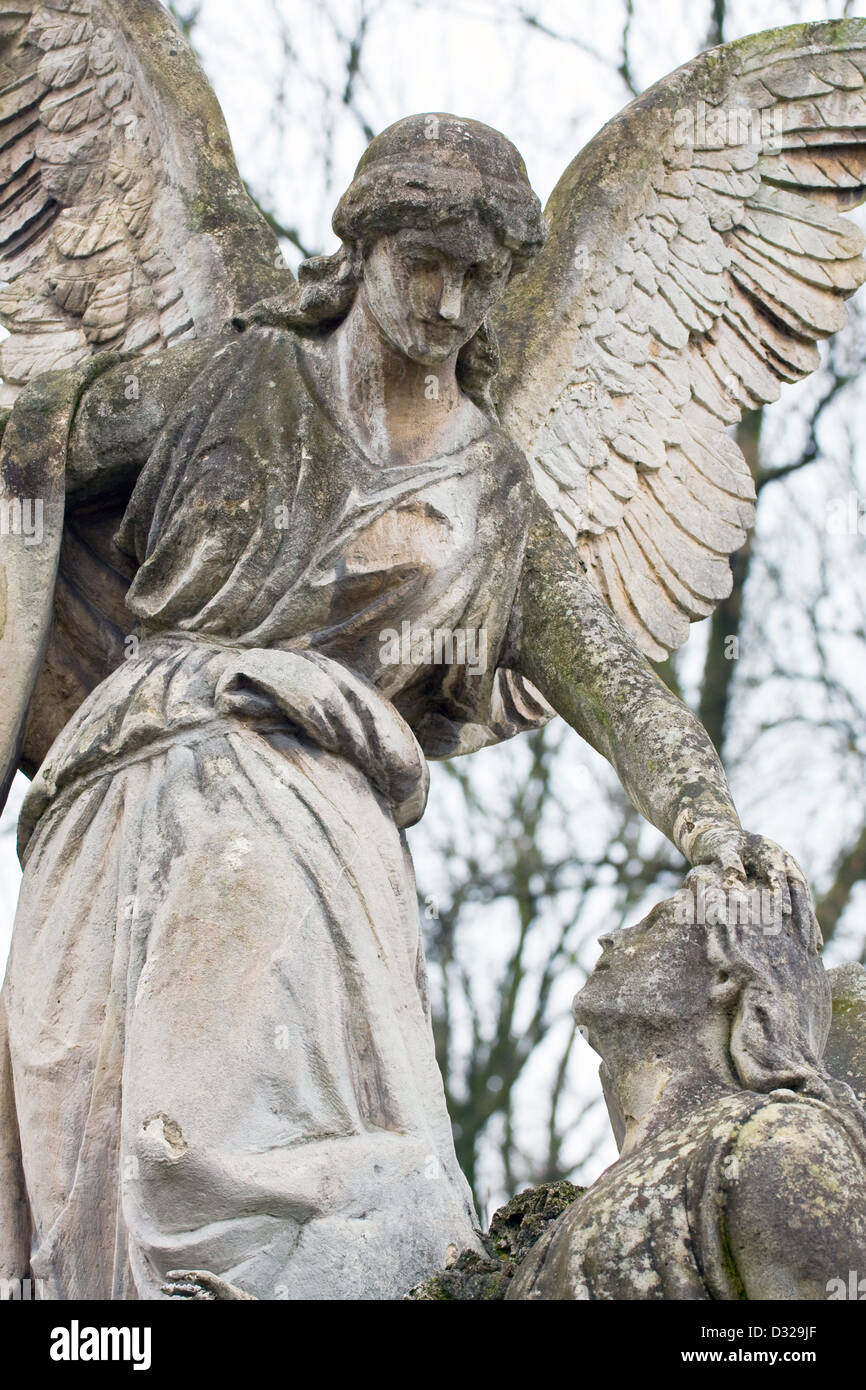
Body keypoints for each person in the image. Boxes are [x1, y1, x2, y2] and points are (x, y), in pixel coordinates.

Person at [0, 115, 811, 1300]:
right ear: (361, 249)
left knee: (254, 1146)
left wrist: (708, 821)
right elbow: (34, 442)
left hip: (310, 826)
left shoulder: (491, 492)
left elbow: (619, 689)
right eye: (422, 263)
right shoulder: (240, 373)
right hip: (125, 783)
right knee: (87, 1134)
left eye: (478, 277)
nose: (445, 300)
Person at [507, 872, 866, 1300]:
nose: (611, 938)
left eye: (655, 924)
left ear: (727, 977)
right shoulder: (572, 1217)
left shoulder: (775, 1139)